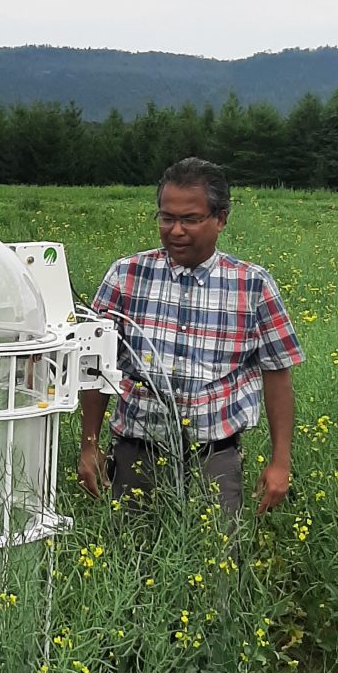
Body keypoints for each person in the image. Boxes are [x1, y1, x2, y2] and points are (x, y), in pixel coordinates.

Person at [77, 157, 303, 521]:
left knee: (215, 565)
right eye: (166, 218)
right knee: (132, 559)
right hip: (136, 450)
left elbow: (277, 374)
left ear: (221, 219)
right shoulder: (126, 275)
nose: (175, 231)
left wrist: (281, 462)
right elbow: (93, 363)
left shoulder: (253, 285)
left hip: (214, 457)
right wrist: (90, 445)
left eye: (190, 219)